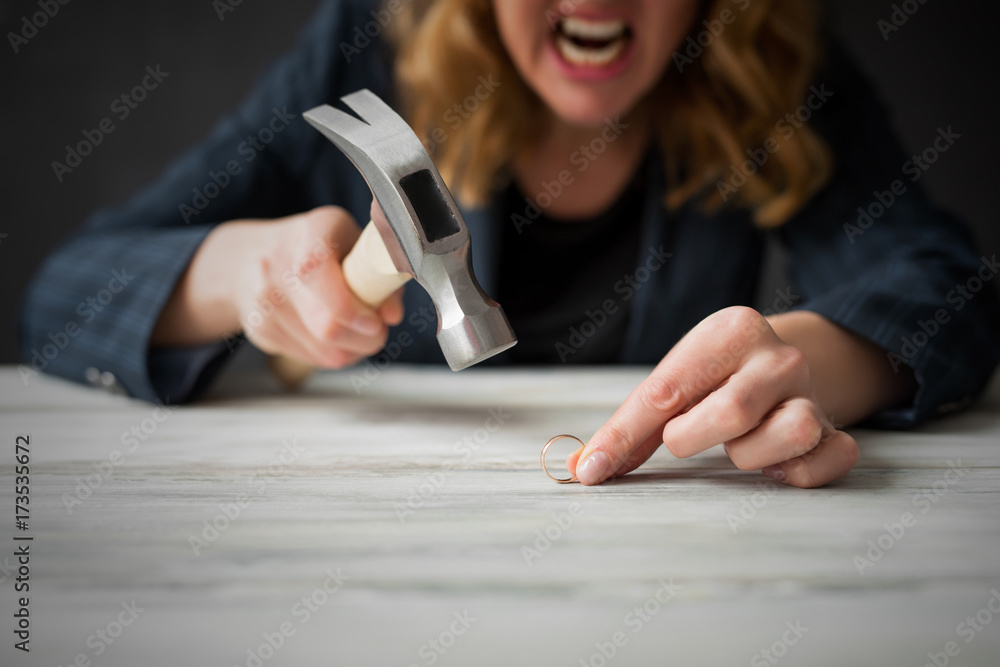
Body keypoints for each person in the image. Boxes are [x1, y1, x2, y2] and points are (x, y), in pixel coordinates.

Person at [21, 0, 1000, 489]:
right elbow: (60, 297)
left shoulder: (770, 63)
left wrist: (815, 361)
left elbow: (944, 284)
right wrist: (240, 275)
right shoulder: (370, 42)